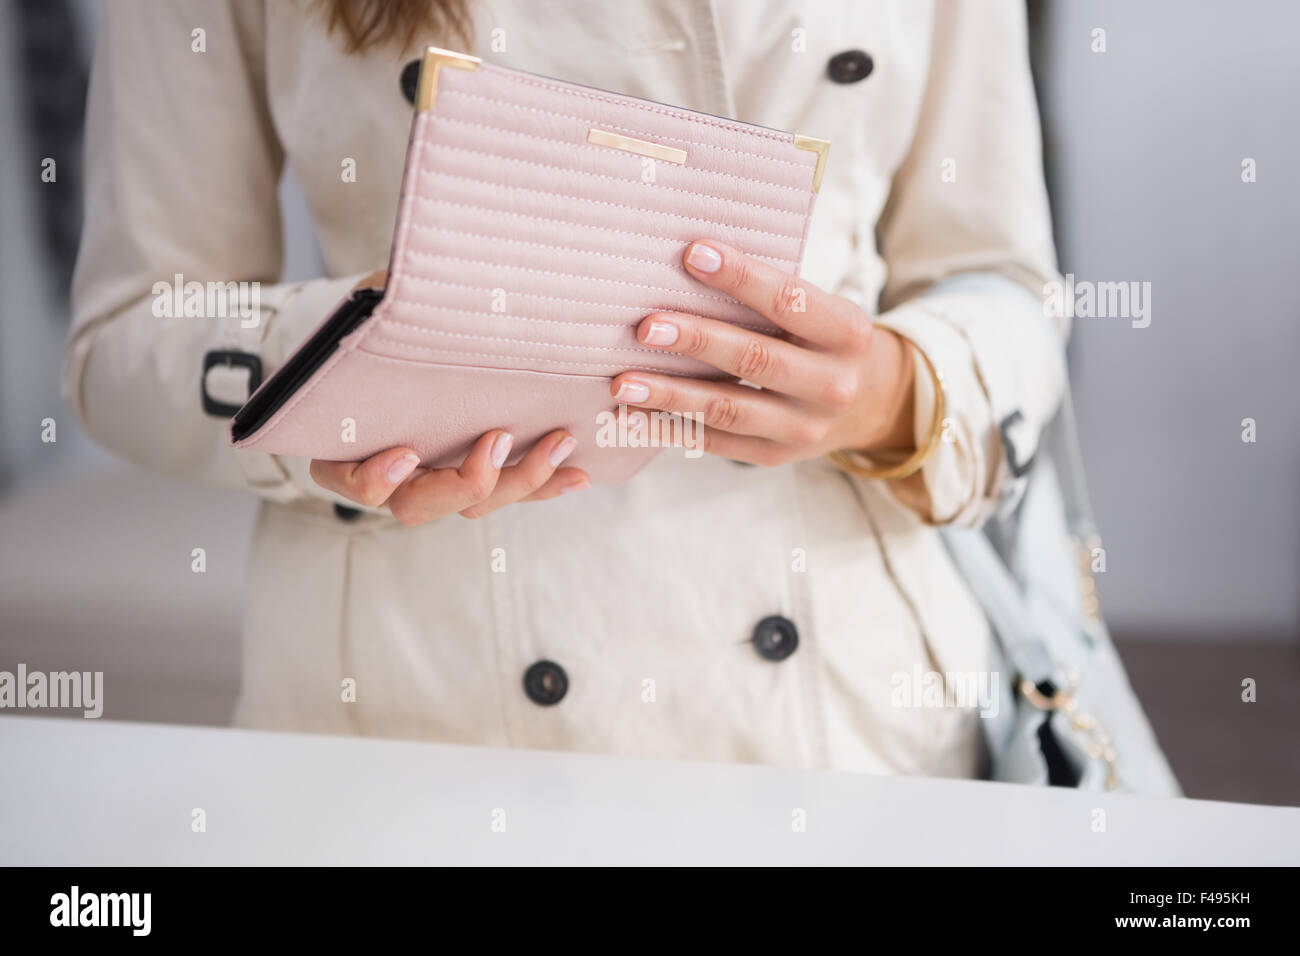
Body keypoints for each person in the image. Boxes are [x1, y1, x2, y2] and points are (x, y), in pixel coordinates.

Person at [66, 0, 1065, 777]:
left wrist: (893, 392)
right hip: (425, 707)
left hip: (847, 717)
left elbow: (1004, 279)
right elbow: (126, 336)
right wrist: (349, 357)